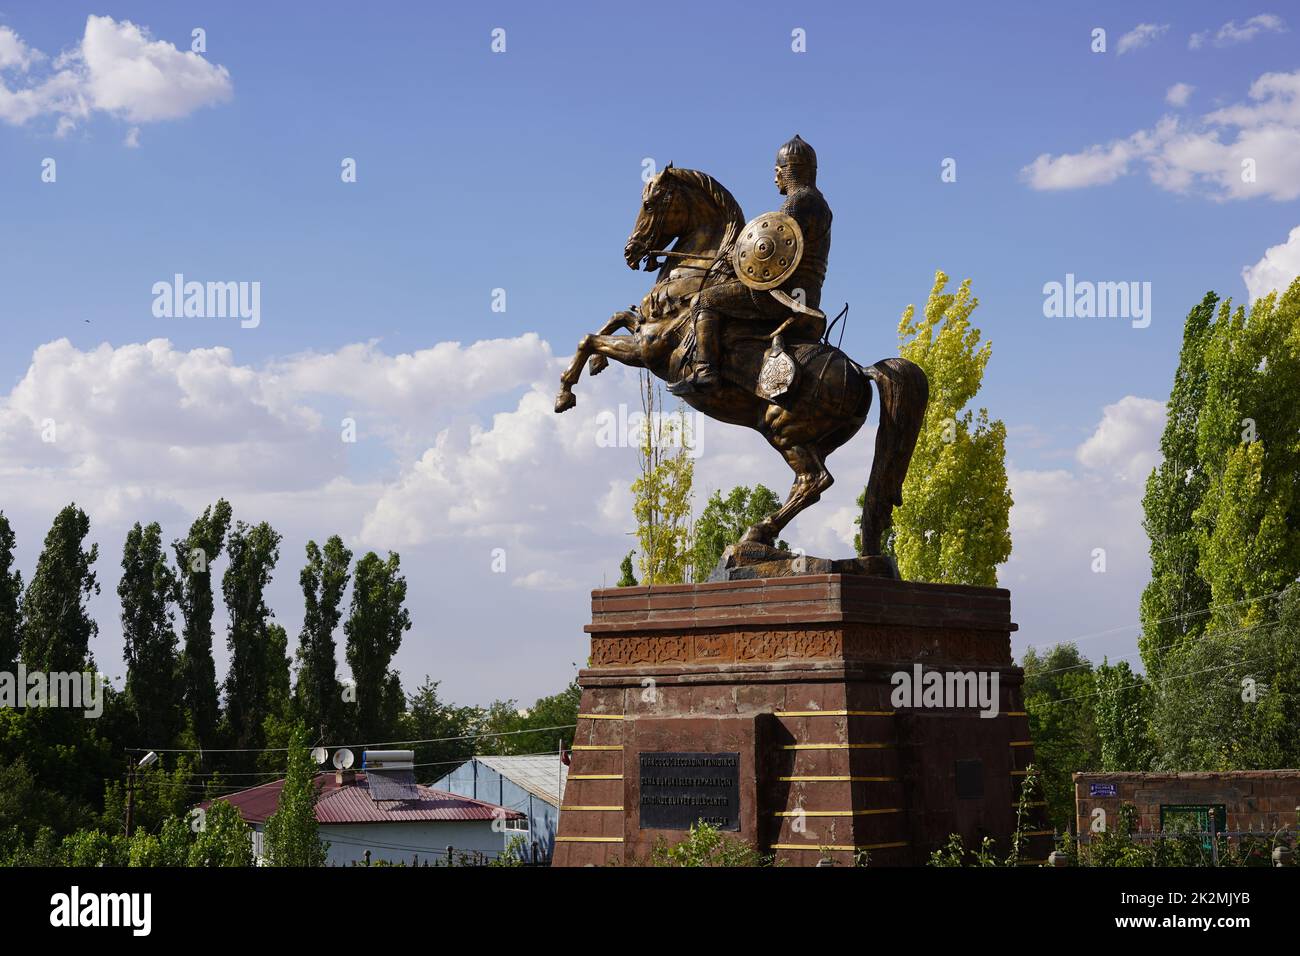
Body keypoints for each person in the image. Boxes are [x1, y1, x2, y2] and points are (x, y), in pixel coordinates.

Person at [670, 134, 833, 395]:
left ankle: (705, 371)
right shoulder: (819, 203)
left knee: (703, 301)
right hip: (806, 294)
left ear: (787, 171)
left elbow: (772, 255)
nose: (774, 177)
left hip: (782, 295)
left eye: (777, 171)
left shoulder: (797, 202)